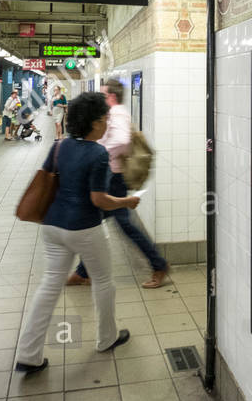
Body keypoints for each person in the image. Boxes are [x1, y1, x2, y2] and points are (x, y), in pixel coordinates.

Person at [14, 92, 141, 373]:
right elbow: (99, 199)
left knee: (49, 287)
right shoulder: (97, 153)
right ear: (95, 122)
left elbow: (49, 179)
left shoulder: (60, 146)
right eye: (106, 119)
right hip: (84, 227)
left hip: (52, 226)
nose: (108, 123)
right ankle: (107, 338)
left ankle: (28, 353)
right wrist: (126, 202)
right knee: (104, 281)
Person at [68, 78, 169, 289]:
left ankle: (159, 266)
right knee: (97, 222)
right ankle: (83, 272)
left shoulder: (117, 113)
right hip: (111, 176)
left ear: (111, 97)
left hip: (114, 178)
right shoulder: (114, 113)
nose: (101, 99)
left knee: (122, 225)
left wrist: (100, 151)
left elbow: (122, 140)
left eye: (103, 95)